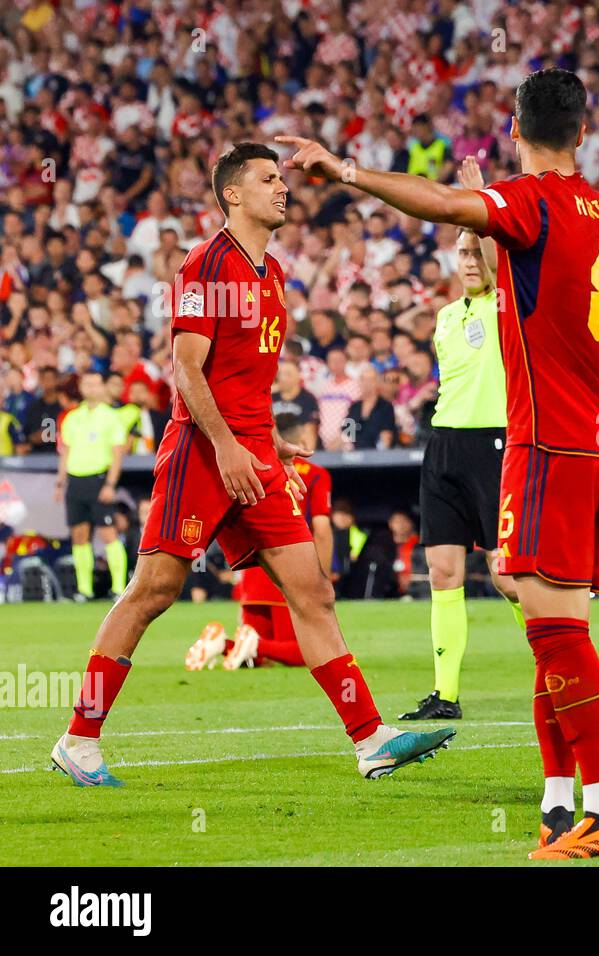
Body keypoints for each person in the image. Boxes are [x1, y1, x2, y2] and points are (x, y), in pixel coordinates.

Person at [280, 67, 599, 859]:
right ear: (584, 131)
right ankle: (560, 807)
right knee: (558, 631)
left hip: (549, 443)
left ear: (517, 130)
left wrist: (344, 171)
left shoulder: (532, 201)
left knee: (554, 637)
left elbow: (444, 205)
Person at [50, 143, 454, 789]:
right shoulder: (207, 261)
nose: (283, 187)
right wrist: (227, 444)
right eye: (268, 178)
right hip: (203, 451)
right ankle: (80, 738)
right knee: (155, 589)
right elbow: (186, 368)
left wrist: (266, 438)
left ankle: (371, 738)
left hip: (254, 453)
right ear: (232, 193)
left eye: (283, 178)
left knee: (313, 590)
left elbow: (244, 378)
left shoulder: (273, 273)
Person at [402, 177, 524, 723]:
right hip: (444, 443)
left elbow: (501, 252)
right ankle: (445, 695)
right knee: (443, 572)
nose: (470, 261)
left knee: (506, 575)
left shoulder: (508, 303)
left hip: (496, 444)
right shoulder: (447, 317)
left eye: (477, 251)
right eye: (462, 253)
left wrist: (484, 206)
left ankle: (559, 670)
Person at [184, 415, 334, 670]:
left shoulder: (254, 467)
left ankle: (220, 644)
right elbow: (321, 529)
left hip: (253, 569)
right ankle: (250, 644)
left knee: (257, 661)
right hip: (289, 566)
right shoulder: (317, 474)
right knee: (305, 651)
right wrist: (324, 574)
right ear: (303, 440)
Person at [54, 371, 130, 599]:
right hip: (75, 480)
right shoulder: (72, 417)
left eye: (96, 384)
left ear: (102, 387)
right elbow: (65, 452)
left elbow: (118, 454)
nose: (91, 388)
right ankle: (84, 590)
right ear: (82, 388)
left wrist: (110, 484)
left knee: (108, 534)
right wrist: (60, 483)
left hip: (99, 478)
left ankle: (119, 588)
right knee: (79, 535)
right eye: (87, 384)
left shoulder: (112, 417)